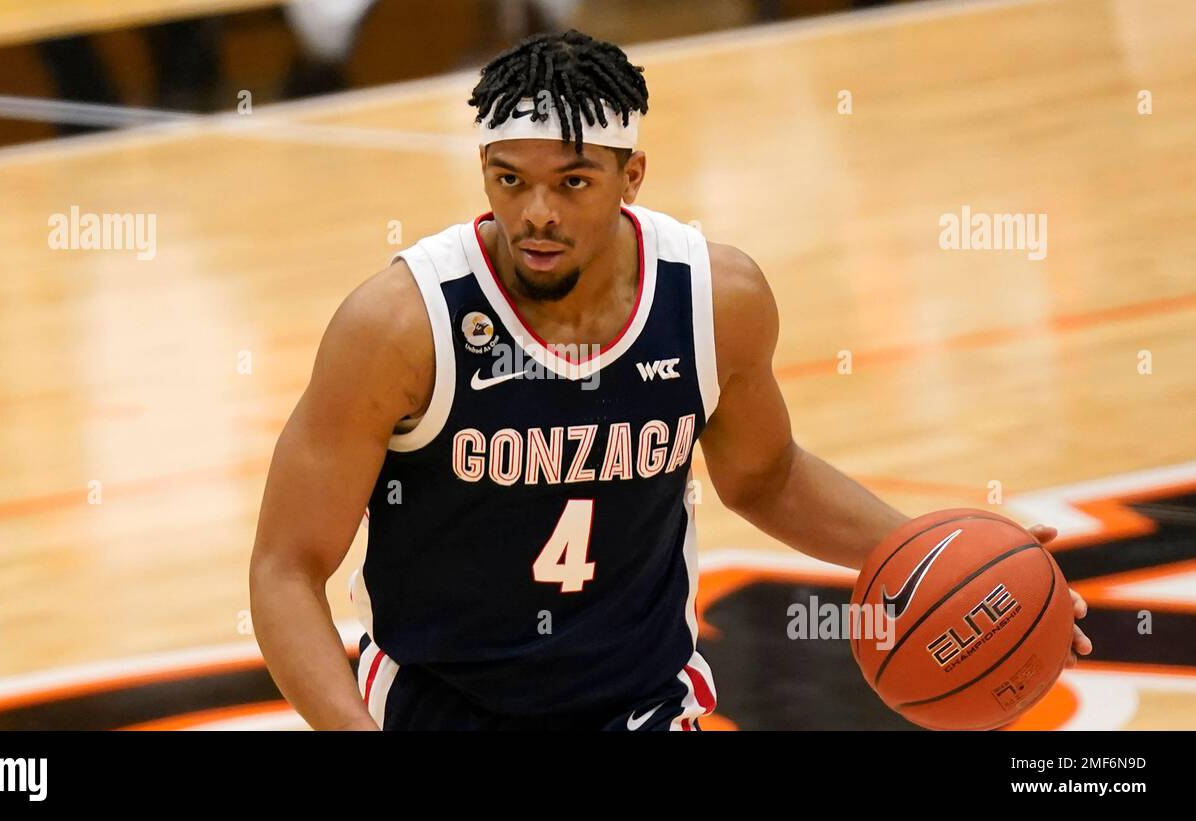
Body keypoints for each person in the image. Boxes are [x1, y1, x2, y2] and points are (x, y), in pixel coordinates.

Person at [249, 29, 1092, 730]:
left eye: (571, 182)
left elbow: (766, 475)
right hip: (439, 707)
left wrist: (938, 566)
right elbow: (286, 566)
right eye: (510, 180)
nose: (536, 213)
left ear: (632, 176)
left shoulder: (713, 300)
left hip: (642, 702)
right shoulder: (401, 326)